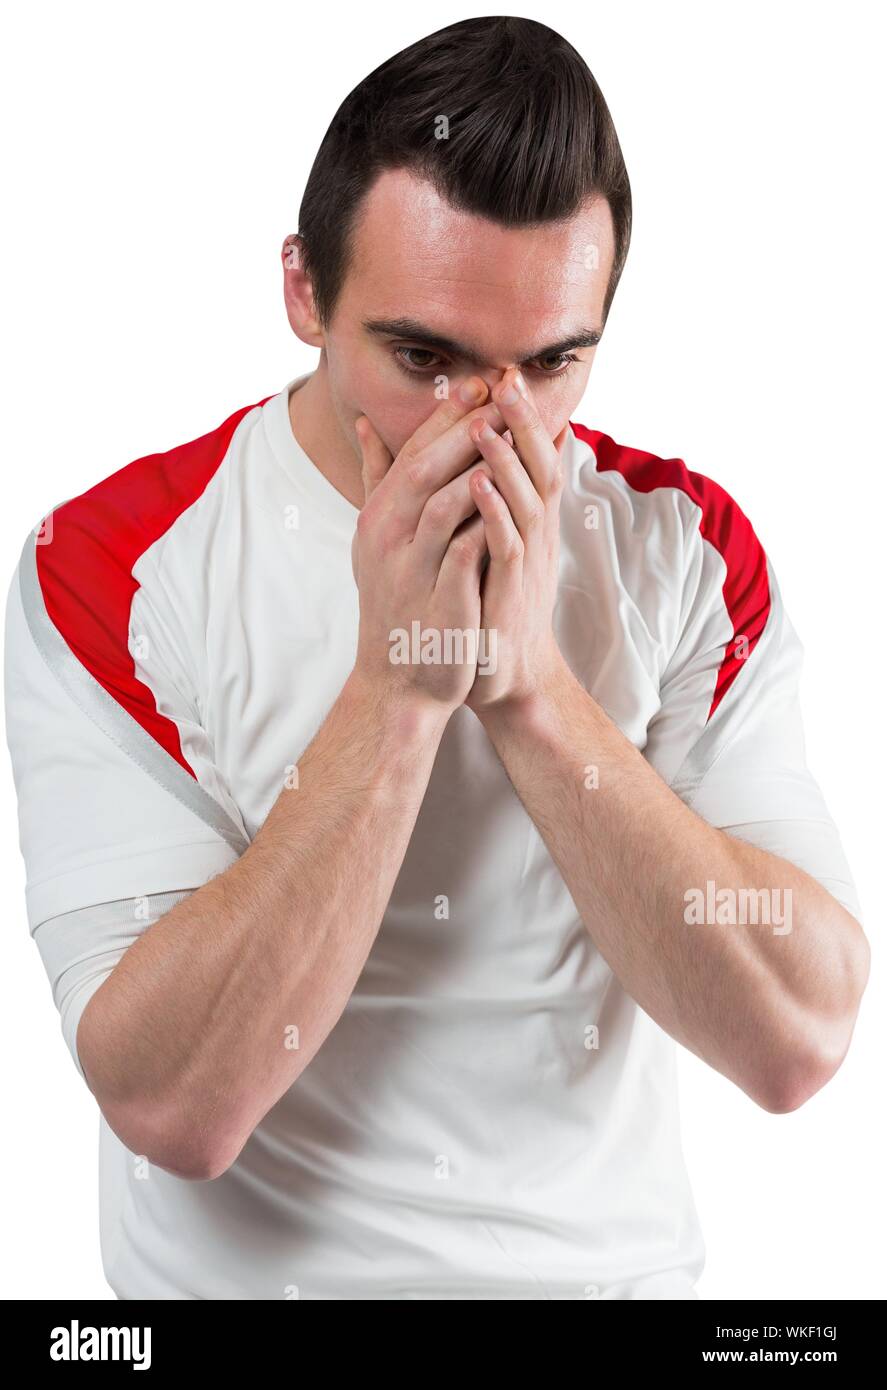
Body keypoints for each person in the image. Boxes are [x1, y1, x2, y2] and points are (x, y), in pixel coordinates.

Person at [3, 16, 869, 1300]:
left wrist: (532, 692)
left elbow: (795, 1039)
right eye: (424, 359)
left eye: (552, 362)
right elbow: (171, 1103)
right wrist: (399, 694)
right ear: (302, 290)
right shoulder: (113, 564)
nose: (490, 425)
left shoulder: (684, 549)